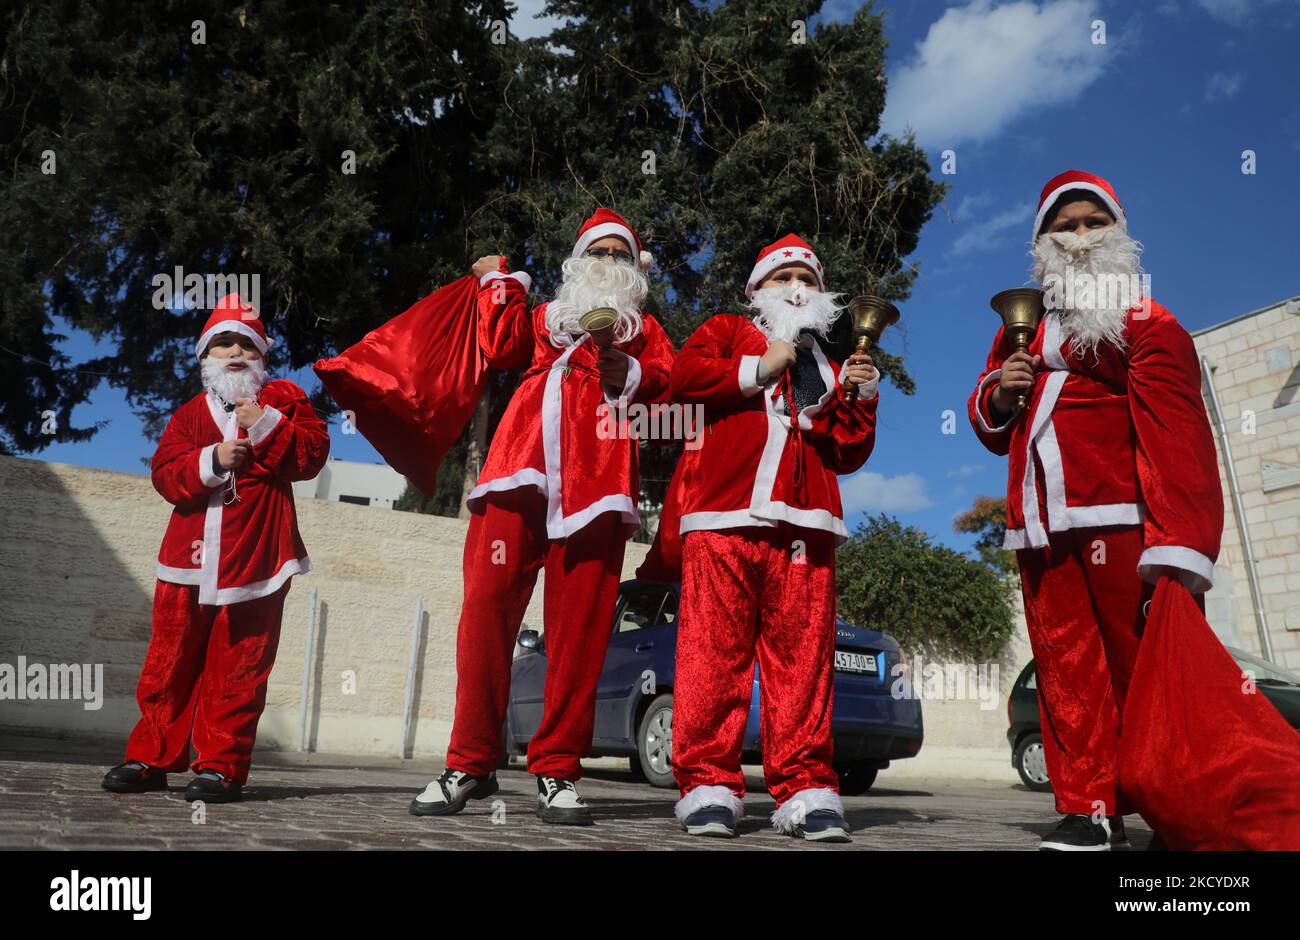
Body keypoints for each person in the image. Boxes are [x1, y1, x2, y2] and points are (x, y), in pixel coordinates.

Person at [968, 169, 1225, 850]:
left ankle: (1181, 810)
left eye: (1093, 222)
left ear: (1119, 231)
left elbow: (1179, 437)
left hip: (1121, 522)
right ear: (1043, 240)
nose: (1080, 238)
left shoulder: (1147, 320)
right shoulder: (1021, 329)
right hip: (1038, 527)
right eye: (1065, 225)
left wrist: (1181, 545)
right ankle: (1089, 808)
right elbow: (988, 419)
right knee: (1066, 673)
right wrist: (1001, 392)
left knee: (1145, 673)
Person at [409, 209, 676, 825]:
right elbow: (498, 346)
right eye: (598, 251)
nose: (608, 261)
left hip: (599, 484)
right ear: (579, 261)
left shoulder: (645, 331)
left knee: (579, 633)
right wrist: (499, 279)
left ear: (636, 269)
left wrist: (631, 375)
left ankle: (557, 768)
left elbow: (671, 385)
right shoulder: (543, 319)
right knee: (485, 612)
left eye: (620, 253)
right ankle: (470, 761)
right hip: (516, 471)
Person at [666, 234, 879, 841]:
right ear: (757, 289)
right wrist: (760, 368)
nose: (795, 288)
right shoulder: (729, 330)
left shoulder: (829, 368)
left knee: (804, 664)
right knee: (713, 656)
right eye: (781, 277)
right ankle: (708, 785)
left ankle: (807, 787)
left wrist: (860, 396)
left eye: (806, 279)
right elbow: (683, 378)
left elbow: (848, 450)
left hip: (807, 527)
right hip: (724, 516)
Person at [102, 293, 330, 803]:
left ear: (261, 355)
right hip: (188, 559)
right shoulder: (188, 415)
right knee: (169, 661)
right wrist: (214, 457)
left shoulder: (287, 399)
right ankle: (152, 756)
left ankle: (220, 766)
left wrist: (265, 424)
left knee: (239, 666)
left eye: (245, 343)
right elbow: (165, 473)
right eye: (223, 342)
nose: (234, 352)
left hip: (258, 557)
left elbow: (311, 457)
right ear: (206, 355)